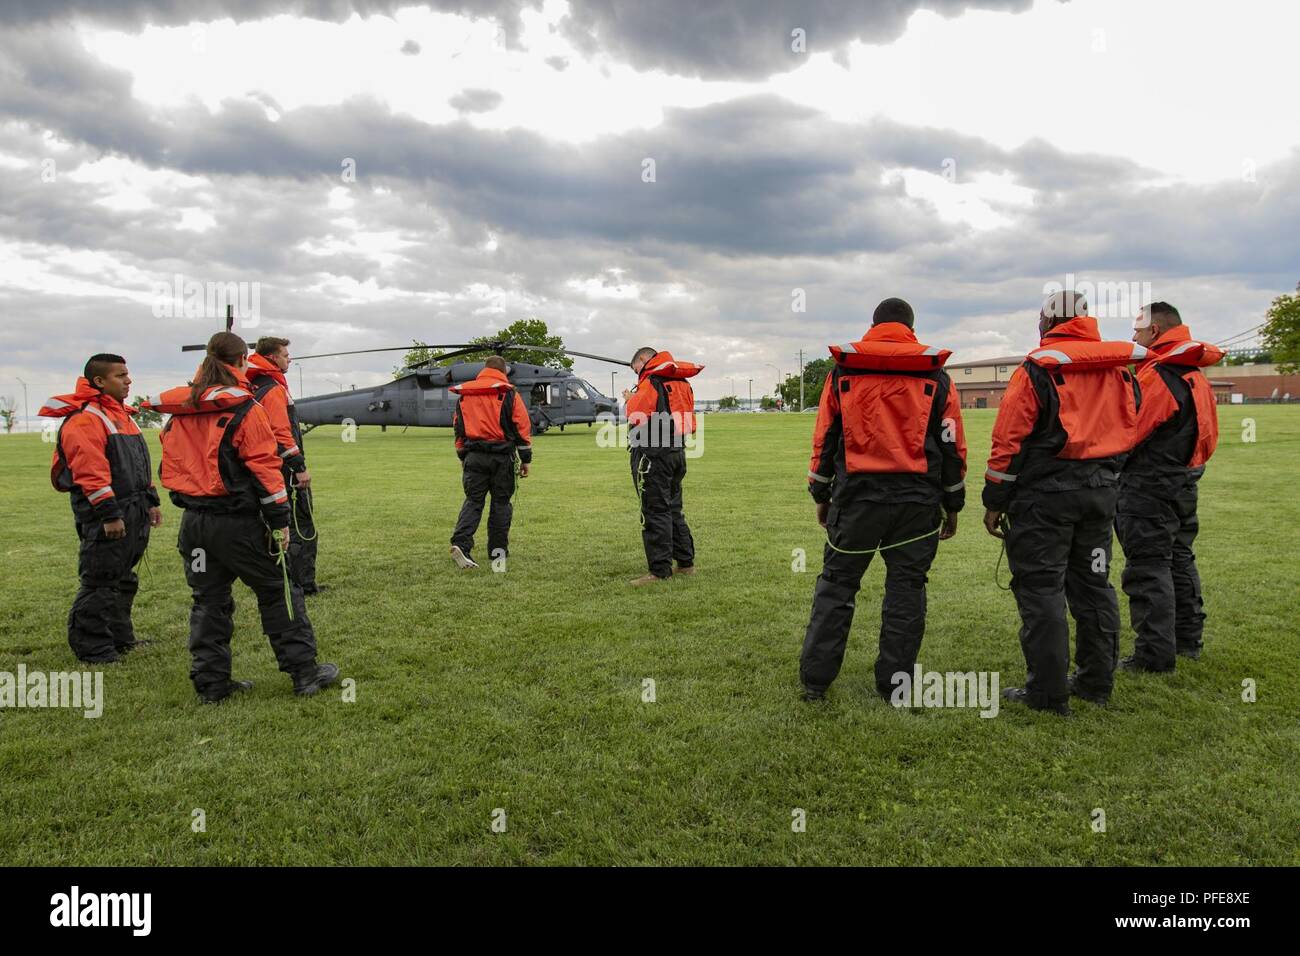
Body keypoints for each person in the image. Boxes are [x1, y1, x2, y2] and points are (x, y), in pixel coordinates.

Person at [143, 332, 339, 702]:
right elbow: (266, 469)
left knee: (208, 602)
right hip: (240, 524)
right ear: (241, 364)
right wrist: (280, 521)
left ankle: (211, 684)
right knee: (279, 592)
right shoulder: (245, 409)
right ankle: (304, 672)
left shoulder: (180, 414)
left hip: (195, 525)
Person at [983, 291, 1145, 714]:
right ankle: (1096, 682)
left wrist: (995, 499)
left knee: (1041, 591)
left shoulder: (1036, 369)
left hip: (1045, 501)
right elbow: (1133, 427)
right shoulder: (1121, 370)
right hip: (1100, 495)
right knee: (1094, 586)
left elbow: (1008, 441)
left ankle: (1048, 693)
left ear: (1046, 321)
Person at [799, 298, 966, 702]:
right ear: (911, 327)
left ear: (873, 325)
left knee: (837, 586)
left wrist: (822, 494)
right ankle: (896, 685)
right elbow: (951, 445)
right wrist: (953, 504)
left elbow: (826, 437)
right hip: (917, 503)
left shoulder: (845, 371)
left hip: (856, 498)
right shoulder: (936, 375)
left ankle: (816, 683)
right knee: (907, 589)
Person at [1116, 303, 1222, 671]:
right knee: (1179, 558)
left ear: (1155, 332)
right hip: (1184, 482)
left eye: (1138, 330)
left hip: (1149, 487)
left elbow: (1128, 433)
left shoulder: (1157, 377)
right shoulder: (1195, 376)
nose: (1133, 337)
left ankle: (1153, 655)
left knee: (1148, 566)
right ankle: (1187, 639)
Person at [40, 355, 163, 664]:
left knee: (123, 579)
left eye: (128, 374)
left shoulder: (123, 416)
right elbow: (90, 472)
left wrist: (151, 501)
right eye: (120, 375)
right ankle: (93, 649)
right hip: (107, 514)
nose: (129, 380)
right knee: (100, 580)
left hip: (134, 509)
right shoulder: (86, 419)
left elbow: (138, 466)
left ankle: (121, 639)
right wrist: (109, 514)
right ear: (99, 381)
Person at [622, 346, 703, 585]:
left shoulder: (652, 382)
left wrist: (630, 399)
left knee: (655, 511)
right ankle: (686, 563)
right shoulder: (683, 383)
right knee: (674, 509)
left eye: (636, 367)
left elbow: (636, 414)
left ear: (644, 359)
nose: (637, 373)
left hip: (653, 458)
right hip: (677, 453)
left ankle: (659, 570)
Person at [247, 336, 320, 594]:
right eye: (285, 355)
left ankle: (279, 579)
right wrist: (299, 466)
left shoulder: (253, 386)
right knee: (300, 523)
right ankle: (302, 583)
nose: (289, 359)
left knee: (269, 524)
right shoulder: (274, 389)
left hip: (263, 468)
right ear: (271, 357)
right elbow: (281, 431)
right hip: (283, 468)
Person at [448, 356, 533, 569]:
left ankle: (461, 544)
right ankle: (497, 553)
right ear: (503, 371)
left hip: (473, 456)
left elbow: (459, 430)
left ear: (483, 370)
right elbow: (521, 426)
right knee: (501, 504)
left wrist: (462, 456)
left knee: (473, 501)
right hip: (502, 458)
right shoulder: (508, 393)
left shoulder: (465, 395)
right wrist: (526, 460)